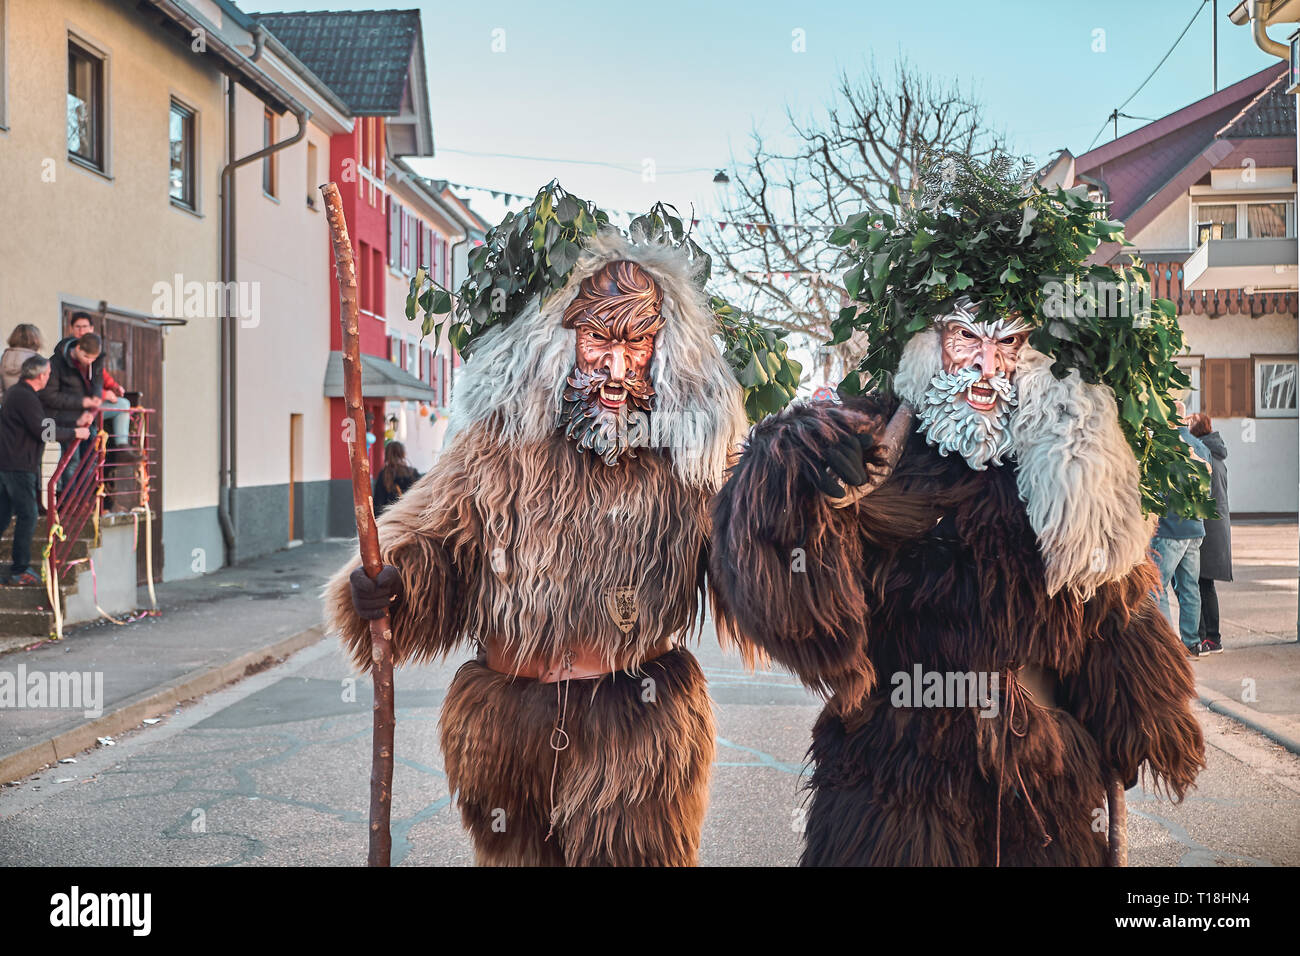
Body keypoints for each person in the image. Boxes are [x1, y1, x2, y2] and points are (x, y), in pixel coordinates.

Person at [710, 158, 1205, 866]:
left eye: (1007, 343)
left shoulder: (1067, 468)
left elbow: (1110, 606)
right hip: (896, 775)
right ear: (929, 345)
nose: (985, 368)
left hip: (1041, 774)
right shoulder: (869, 445)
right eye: (966, 339)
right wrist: (792, 467)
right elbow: (772, 572)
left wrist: (1139, 708)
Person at [326, 212, 756, 866]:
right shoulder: (495, 445)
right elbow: (433, 538)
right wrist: (388, 582)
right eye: (598, 339)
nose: (616, 367)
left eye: (639, 344)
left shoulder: (690, 459)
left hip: (636, 735)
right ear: (559, 340)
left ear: (667, 350)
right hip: (507, 734)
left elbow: (750, 565)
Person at [0, 356, 88, 585]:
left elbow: (41, 424)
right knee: (28, 515)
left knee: (3, 516)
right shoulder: (24, 396)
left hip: (11, 463)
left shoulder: (20, 394)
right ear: (40, 375)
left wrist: (72, 426)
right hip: (18, 466)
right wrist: (75, 433)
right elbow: (43, 430)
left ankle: (19, 569)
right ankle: (20, 569)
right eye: (48, 373)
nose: (49, 376)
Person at [1152, 399, 1212, 658]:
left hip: (1171, 528)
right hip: (1195, 527)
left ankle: (1167, 644)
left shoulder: (1165, 445)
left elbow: (1157, 488)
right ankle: (1192, 642)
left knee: (1156, 587)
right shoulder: (1201, 446)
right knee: (1190, 588)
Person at [1190, 412, 1231, 654]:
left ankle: (1207, 638)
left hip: (1207, 527)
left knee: (1199, 584)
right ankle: (1211, 638)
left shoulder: (1202, 455)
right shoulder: (1217, 455)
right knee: (1204, 584)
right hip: (1215, 527)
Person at [64, 312, 133, 453]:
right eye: (78, 327)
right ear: (71, 329)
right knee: (76, 456)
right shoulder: (69, 353)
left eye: (84, 327)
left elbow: (101, 375)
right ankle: (121, 449)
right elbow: (76, 386)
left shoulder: (94, 348)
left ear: (91, 328)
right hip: (75, 408)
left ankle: (122, 448)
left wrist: (114, 386)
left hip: (90, 406)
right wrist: (104, 394)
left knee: (123, 404)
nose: (81, 331)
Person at [372, 441, 419, 516]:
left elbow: (378, 502)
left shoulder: (384, 474)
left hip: (389, 517)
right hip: (409, 516)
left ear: (387, 455)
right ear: (403, 454)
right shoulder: (413, 473)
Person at [0, 324, 45, 399]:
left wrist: (6, 401)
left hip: (8, 403)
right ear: (36, 339)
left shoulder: (4, 357)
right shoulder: (37, 360)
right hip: (30, 403)